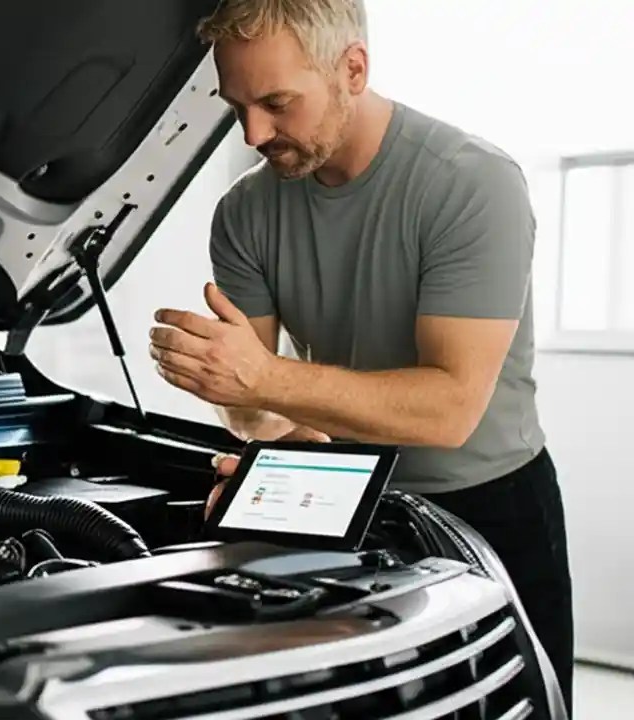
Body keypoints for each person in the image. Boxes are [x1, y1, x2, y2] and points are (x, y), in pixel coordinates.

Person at [147, 0, 573, 710]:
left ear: (353, 69)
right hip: (343, 495)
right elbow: (257, 411)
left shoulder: (472, 184)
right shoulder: (245, 213)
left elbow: (449, 411)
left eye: (277, 103)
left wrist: (264, 380)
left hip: (489, 510)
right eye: (237, 107)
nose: (254, 133)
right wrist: (261, 451)